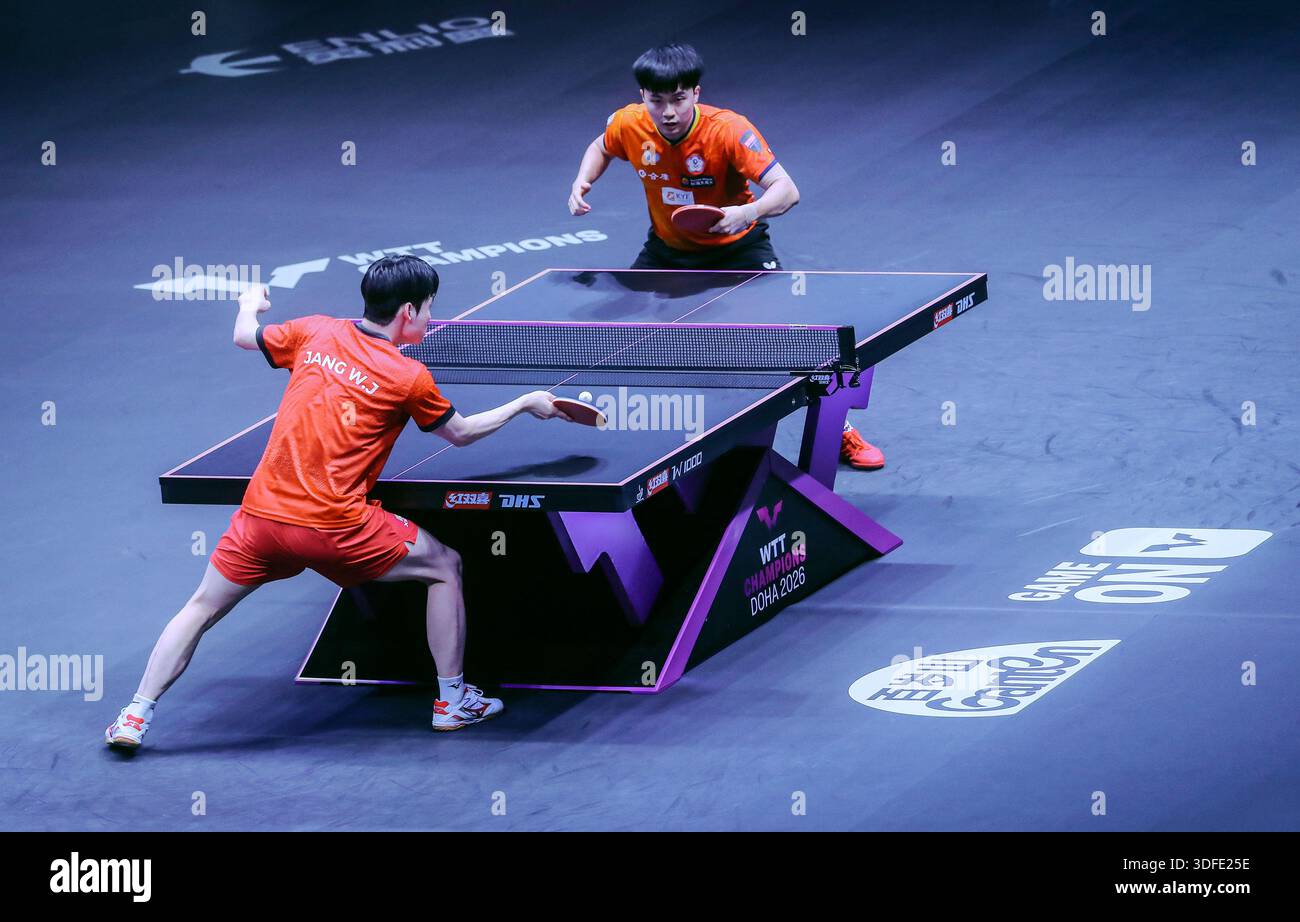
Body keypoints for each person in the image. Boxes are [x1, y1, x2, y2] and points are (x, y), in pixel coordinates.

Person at [106, 255, 571, 747]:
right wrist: (525, 403)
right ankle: (452, 701)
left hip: (261, 520)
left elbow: (246, 336)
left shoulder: (314, 331)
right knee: (445, 566)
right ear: (408, 311)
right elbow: (460, 433)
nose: (433, 317)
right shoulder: (407, 376)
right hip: (337, 530)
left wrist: (248, 304)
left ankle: (136, 714)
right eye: (431, 307)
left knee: (199, 607)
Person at [567, 42, 884, 470]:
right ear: (643, 97)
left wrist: (747, 212)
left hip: (739, 249)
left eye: (678, 98)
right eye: (657, 100)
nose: (669, 112)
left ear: (695, 92)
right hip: (668, 250)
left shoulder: (728, 130)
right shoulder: (629, 124)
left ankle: (838, 429)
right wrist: (582, 182)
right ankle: (640, 437)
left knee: (791, 343)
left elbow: (787, 190)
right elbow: (601, 147)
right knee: (624, 337)